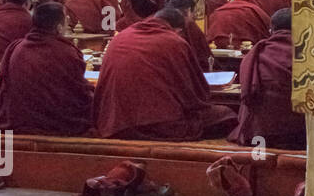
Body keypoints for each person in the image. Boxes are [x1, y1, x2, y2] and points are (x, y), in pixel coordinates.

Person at [93, 8, 236, 141]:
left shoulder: (119, 38)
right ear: (178, 30)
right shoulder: (175, 42)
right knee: (226, 115)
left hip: (114, 125)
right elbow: (195, 95)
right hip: (159, 126)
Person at [0, 2, 93, 136]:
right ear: (59, 27)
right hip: (56, 126)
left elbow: (3, 91)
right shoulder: (66, 52)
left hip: (17, 123)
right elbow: (78, 94)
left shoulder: (16, 48)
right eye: (65, 21)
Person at [229, 8, 304, 150]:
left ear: (271, 30)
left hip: (259, 132)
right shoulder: (307, 53)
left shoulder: (257, 52)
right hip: (298, 133)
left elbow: (246, 92)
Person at [206, 0, 272, 47]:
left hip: (216, 45)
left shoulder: (219, 11)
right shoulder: (255, 9)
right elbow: (267, 29)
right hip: (245, 48)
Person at [166, 0, 211, 68]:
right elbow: (204, 57)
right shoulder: (189, 24)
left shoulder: (161, 22)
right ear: (189, 10)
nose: (195, 16)